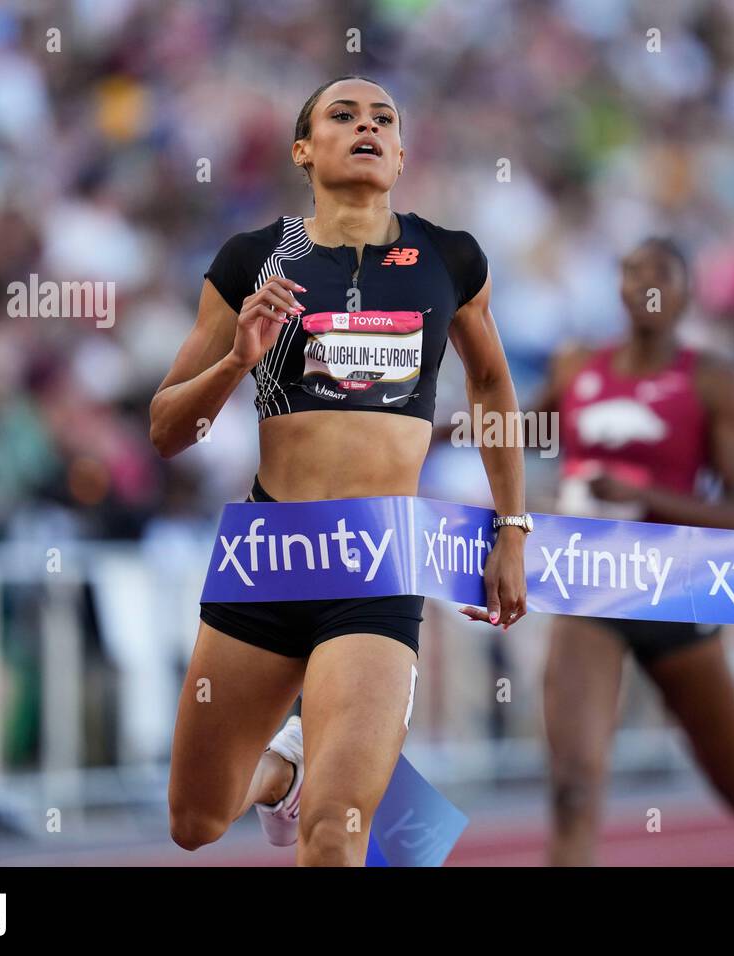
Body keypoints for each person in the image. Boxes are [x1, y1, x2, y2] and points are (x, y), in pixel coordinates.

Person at [151, 75, 529, 866]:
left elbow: (491, 382)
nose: (368, 126)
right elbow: (166, 430)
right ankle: (281, 776)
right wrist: (235, 361)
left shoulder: (449, 258)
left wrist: (513, 525)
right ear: (303, 149)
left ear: (400, 153)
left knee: (336, 829)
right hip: (269, 558)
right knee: (195, 819)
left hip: (376, 563)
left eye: (384, 118)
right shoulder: (254, 259)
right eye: (343, 115)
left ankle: (309, 791)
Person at [531, 236, 734, 866]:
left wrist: (642, 492)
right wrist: (410, 432)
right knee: (573, 786)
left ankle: (725, 684)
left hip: (673, 592)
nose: (645, 286)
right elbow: (516, 429)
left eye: (660, 274)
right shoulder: (577, 367)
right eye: (632, 273)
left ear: (688, 292)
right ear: (619, 288)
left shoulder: (713, 381)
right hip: (591, 590)